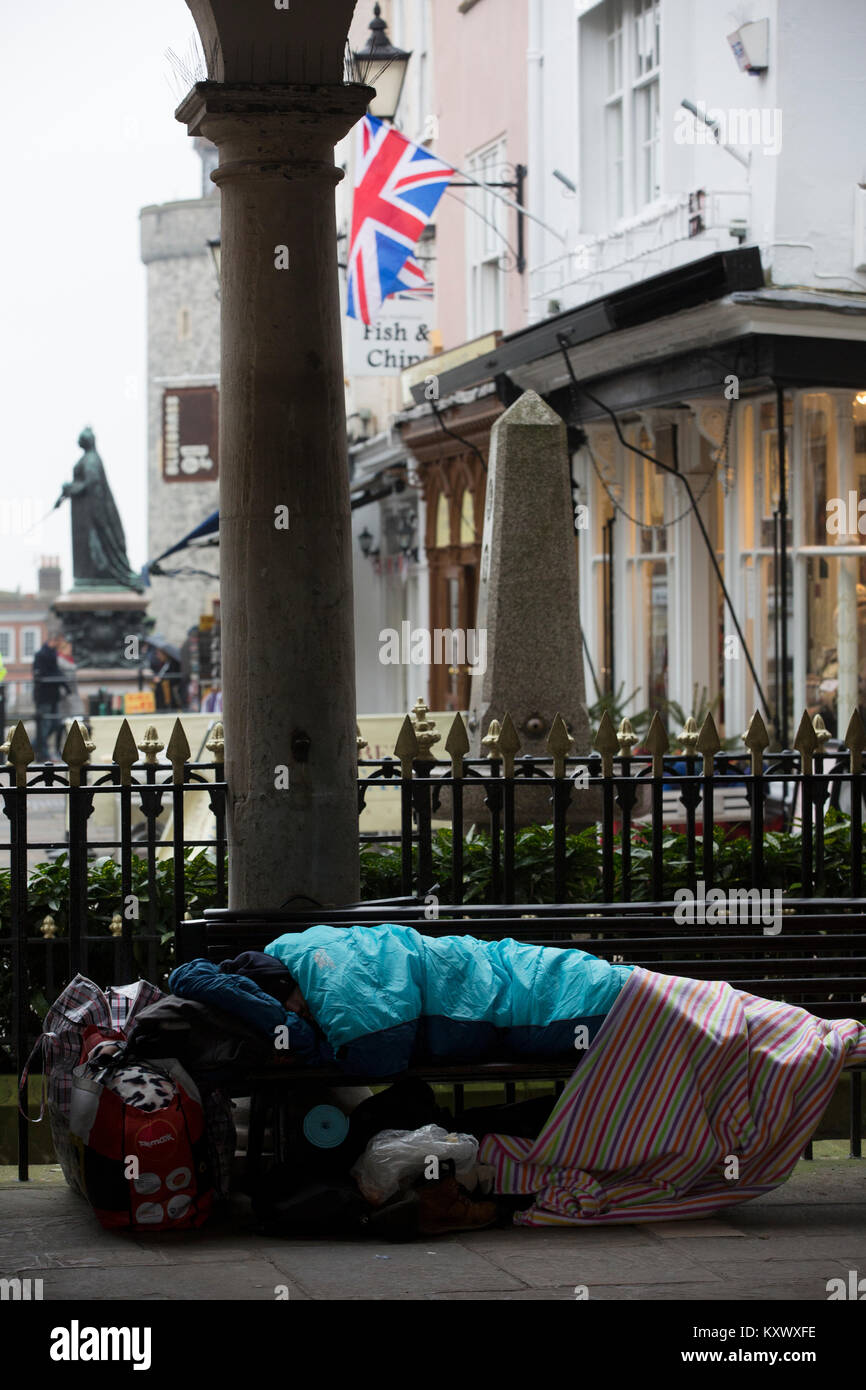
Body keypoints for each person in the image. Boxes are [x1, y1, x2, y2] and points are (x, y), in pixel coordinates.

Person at [32, 636, 69, 762]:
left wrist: (64, 684)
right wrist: (62, 680)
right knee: (45, 725)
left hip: (53, 696)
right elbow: (43, 674)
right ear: (53, 640)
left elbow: (56, 672)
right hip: (44, 697)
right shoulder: (41, 655)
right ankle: (43, 754)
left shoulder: (52, 654)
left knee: (55, 724)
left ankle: (33, 746)